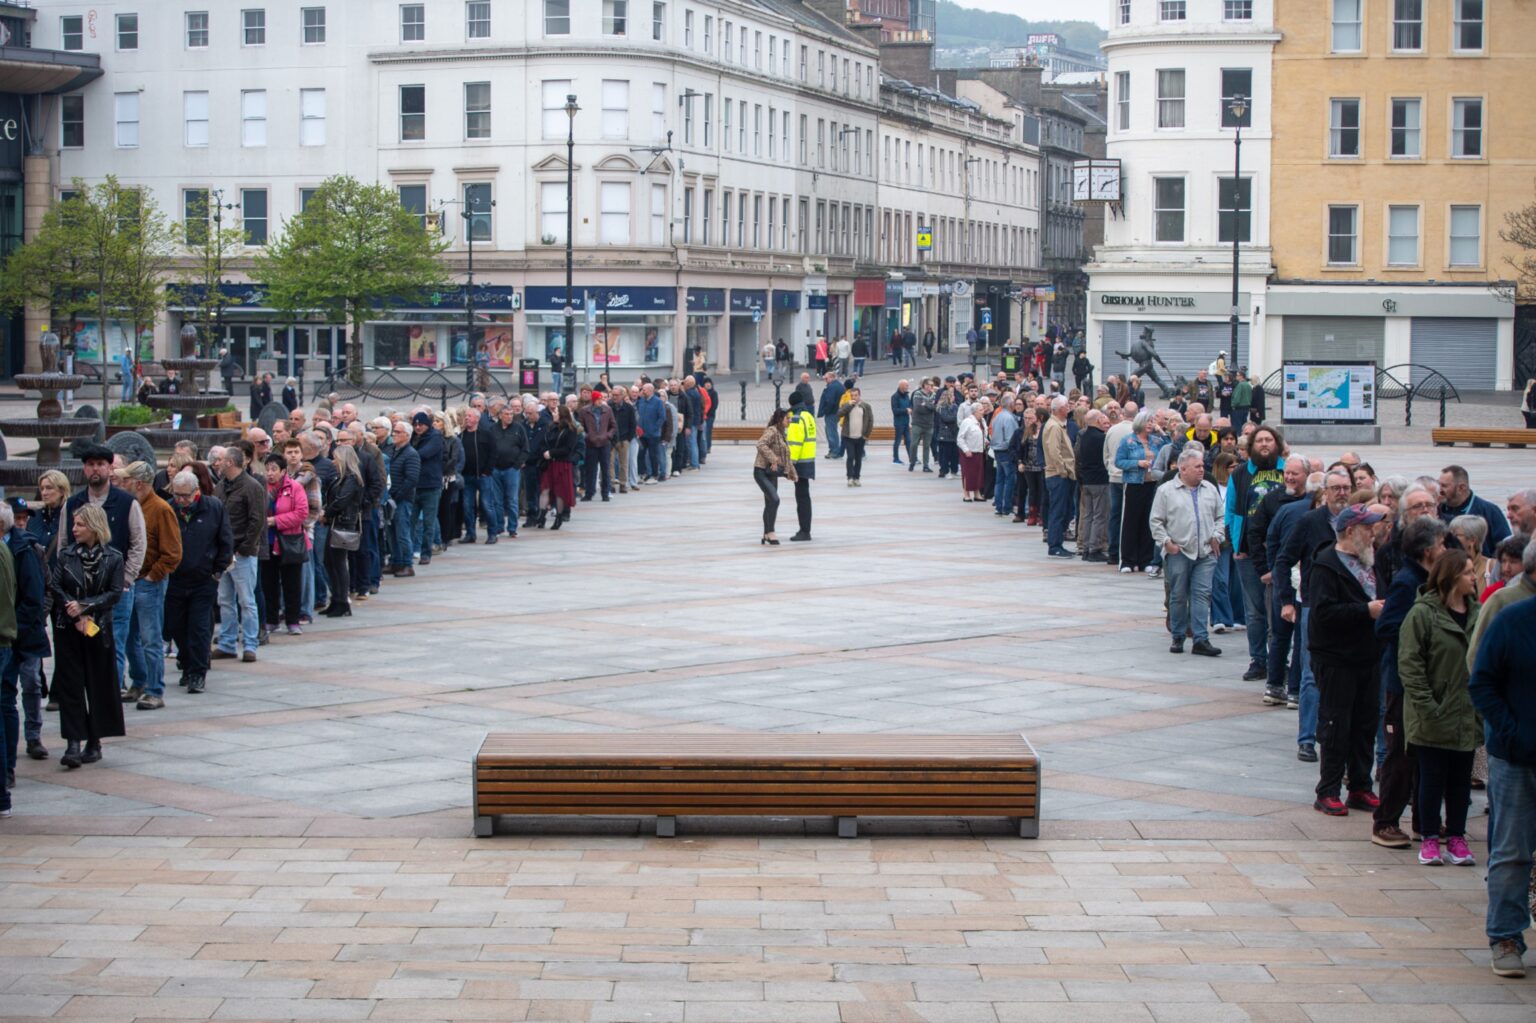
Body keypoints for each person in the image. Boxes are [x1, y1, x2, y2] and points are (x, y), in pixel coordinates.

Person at [1467, 537, 1536, 978]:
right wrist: (1512, 732)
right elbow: (1481, 681)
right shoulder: (1512, 617)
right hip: (1516, 757)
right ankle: (1506, 935)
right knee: (1512, 850)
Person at [1396, 548, 1481, 867]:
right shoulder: (1422, 614)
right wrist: (1429, 705)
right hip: (1433, 714)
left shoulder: (1477, 613)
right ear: (1451, 577)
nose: (1474, 577)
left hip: (1466, 713)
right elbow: (1410, 664)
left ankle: (1457, 837)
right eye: (1468, 572)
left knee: (1461, 781)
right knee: (1431, 779)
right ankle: (1430, 837)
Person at [1371, 516, 1450, 848]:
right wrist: (1422, 641)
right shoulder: (1408, 582)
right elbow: (1387, 626)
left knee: (1423, 755)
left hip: (1424, 681)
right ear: (1428, 550)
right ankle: (1385, 822)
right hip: (1403, 683)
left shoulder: (1429, 579)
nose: (1446, 550)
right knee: (1401, 754)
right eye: (1442, 545)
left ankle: (1423, 820)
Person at [1308, 504, 1387, 817]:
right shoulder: (1326, 565)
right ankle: (1327, 790)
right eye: (1367, 528)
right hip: (1336, 657)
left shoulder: (1370, 560)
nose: (1373, 534)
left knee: (1365, 723)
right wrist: (1365, 611)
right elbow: (1323, 613)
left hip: (1368, 655)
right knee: (1336, 723)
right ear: (1351, 531)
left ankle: (1360, 786)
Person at [47, 504, 126, 770]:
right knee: (70, 685)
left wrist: (87, 607)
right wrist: (75, 612)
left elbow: (115, 593)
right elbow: (56, 586)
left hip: (98, 627)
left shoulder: (114, 557)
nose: (74, 529)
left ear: (94, 526)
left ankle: (95, 740)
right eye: (74, 524)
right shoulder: (67, 555)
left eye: (80, 524)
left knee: (98, 684)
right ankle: (73, 742)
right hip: (69, 627)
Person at [65, 444, 145, 693]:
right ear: (84, 469)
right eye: (91, 464)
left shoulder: (126, 502)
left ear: (110, 468)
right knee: (88, 640)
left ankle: (112, 692)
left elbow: (138, 543)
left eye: (100, 464)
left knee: (114, 642)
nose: (95, 469)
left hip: (116, 590)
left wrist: (126, 578)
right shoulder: (73, 503)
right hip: (83, 592)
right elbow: (64, 545)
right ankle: (94, 690)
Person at [113, 462, 182, 710]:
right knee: (130, 637)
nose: (122, 484)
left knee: (150, 639)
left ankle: (155, 690)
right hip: (130, 581)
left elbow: (173, 552)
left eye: (126, 480)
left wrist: (153, 576)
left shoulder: (161, 509)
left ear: (139, 484)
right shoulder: (129, 506)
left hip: (148, 582)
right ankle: (140, 681)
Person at [1227, 425, 1288, 685]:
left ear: (1277, 445)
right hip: (1249, 551)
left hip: (1281, 551)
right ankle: (1258, 660)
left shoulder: (1288, 470)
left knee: (1278, 610)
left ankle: (1279, 660)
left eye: (1269, 440)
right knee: (1254, 611)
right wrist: (1236, 543)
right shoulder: (1241, 473)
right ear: (1251, 446)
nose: (1264, 444)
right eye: (1259, 440)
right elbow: (1231, 510)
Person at [1151, 445, 1226, 657]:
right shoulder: (1166, 491)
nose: (1202, 470)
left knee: (1202, 594)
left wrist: (1217, 536)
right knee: (1178, 595)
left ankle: (1201, 639)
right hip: (1179, 552)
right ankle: (1178, 635)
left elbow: (1221, 517)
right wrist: (1167, 543)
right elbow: (1156, 521)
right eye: (1197, 466)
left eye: (1202, 466)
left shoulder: (1209, 489)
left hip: (1205, 552)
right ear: (1183, 469)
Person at [164, 470, 232, 695]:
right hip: (175, 579)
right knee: (176, 625)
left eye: (185, 495)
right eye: (177, 495)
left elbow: (225, 539)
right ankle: (186, 662)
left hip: (203, 579)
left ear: (196, 492)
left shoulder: (213, 507)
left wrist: (218, 569)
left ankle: (197, 672)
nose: (181, 500)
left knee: (199, 627)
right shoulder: (169, 509)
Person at [213, 442, 267, 662]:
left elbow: (257, 520)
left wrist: (245, 547)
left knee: (246, 600)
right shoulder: (220, 486)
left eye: (220, 460)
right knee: (225, 599)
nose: (216, 463)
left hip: (242, 553)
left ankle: (250, 644)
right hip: (223, 553)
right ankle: (227, 642)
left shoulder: (252, 486)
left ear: (230, 462)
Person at [262, 453, 309, 636]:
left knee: (292, 583)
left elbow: (301, 513)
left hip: (290, 541)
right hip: (267, 542)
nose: (270, 473)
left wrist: (276, 521)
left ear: (283, 471)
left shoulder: (295, 487)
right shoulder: (262, 487)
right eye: (267, 469)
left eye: (274, 469)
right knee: (269, 583)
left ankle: (293, 621)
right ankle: (271, 620)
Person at [321, 445, 364, 617]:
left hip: (343, 524)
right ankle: (336, 599)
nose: (333, 462)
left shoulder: (351, 478)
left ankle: (342, 601)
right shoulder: (342, 478)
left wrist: (327, 513)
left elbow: (341, 501)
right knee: (330, 561)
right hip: (337, 523)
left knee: (338, 563)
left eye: (336, 458)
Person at [1114, 410, 1158, 572]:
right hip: (1134, 484)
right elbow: (1119, 462)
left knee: (1148, 522)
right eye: (1147, 421)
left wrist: (1161, 431)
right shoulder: (1128, 440)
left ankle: (1146, 559)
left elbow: (1168, 447)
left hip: (1151, 484)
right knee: (1131, 522)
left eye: (1152, 421)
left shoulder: (1156, 441)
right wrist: (1137, 463)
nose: (1150, 424)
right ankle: (1128, 560)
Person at [1438, 465, 1510, 556]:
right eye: (1438, 484)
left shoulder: (1489, 511)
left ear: (1461, 488)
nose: (1438, 489)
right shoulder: (1437, 509)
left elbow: (1505, 546)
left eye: (1444, 486)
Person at [753, 409, 797, 545]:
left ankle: (767, 533)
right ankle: (771, 532)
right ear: (780, 419)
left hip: (771, 473)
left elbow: (786, 456)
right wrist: (773, 459)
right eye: (787, 418)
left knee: (770, 502)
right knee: (775, 499)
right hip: (761, 471)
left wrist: (792, 473)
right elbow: (760, 444)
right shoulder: (772, 431)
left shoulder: (781, 433)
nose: (790, 420)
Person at [1042, 395, 1076, 558]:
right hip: (1057, 475)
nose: (1068, 408)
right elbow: (1054, 451)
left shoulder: (1057, 425)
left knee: (1062, 510)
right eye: (1066, 406)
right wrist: (1063, 471)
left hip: (1060, 474)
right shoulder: (1054, 426)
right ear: (1059, 409)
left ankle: (1057, 543)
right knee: (1058, 511)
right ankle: (1055, 545)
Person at [1073, 410, 1108, 560]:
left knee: (1088, 515)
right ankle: (1094, 549)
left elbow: (1078, 457)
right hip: (1099, 480)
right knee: (1099, 515)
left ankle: (1086, 547)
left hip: (1086, 480)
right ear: (1098, 420)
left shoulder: (1083, 435)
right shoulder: (1101, 437)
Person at [540, 404, 580, 530]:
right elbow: (544, 442)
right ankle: (541, 516)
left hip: (562, 464)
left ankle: (559, 517)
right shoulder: (550, 427)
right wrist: (545, 452)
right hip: (549, 463)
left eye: (556, 412)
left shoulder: (570, 429)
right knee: (545, 489)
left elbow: (568, 449)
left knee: (560, 492)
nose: (553, 414)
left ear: (562, 414)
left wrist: (552, 453)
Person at [785, 392, 817, 542]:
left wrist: (790, 465)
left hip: (800, 463)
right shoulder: (808, 416)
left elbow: (794, 444)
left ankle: (804, 531)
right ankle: (805, 529)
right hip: (809, 461)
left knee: (802, 498)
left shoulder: (796, 418)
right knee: (805, 497)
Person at [578, 389, 617, 503]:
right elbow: (580, 426)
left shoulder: (607, 410)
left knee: (606, 469)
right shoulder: (584, 411)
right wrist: (587, 436)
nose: (601, 401)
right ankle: (589, 492)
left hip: (604, 443)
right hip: (591, 443)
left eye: (601, 399)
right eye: (598, 399)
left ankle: (605, 493)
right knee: (590, 470)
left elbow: (613, 426)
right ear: (594, 400)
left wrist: (608, 435)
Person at [838, 387, 874, 487]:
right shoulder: (847, 405)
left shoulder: (866, 406)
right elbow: (839, 414)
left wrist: (866, 435)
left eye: (856, 395)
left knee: (858, 458)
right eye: (852, 395)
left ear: (859, 395)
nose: (854, 397)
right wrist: (848, 405)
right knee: (850, 457)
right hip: (848, 436)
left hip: (860, 437)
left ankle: (856, 478)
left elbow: (870, 421)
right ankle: (850, 478)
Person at [817, 373, 845, 459]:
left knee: (831, 432)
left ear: (832, 377)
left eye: (826, 379)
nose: (825, 381)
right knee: (832, 431)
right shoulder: (839, 385)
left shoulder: (832, 387)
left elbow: (830, 400)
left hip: (832, 412)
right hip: (837, 411)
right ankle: (835, 450)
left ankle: (834, 451)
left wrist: (826, 411)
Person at [890, 381, 912, 466]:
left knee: (908, 441)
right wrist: (906, 410)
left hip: (906, 422)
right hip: (899, 423)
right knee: (897, 441)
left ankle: (911, 458)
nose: (908, 386)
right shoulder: (895, 397)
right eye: (906, 385)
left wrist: (910, 408)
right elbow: (895, 411)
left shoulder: (906, 395)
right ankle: (895, 459)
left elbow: (909, 405)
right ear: (901, 386)